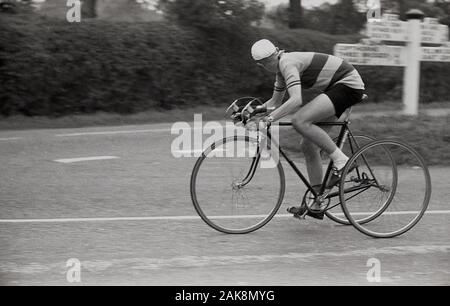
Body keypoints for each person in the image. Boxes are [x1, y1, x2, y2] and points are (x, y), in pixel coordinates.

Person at [250, 39, 365, 220]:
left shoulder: (287, 63)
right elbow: (274, 103)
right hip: (338, 88)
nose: (269, 65)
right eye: (267, 62)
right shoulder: (281, 69)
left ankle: (342, 162)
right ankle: (317, 202)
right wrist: (252, 112)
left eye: (268, 61)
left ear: (267, 61)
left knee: (300, 120)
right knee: (308, 145)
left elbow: (296, 100)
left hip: (347, 85)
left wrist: (269, 119)